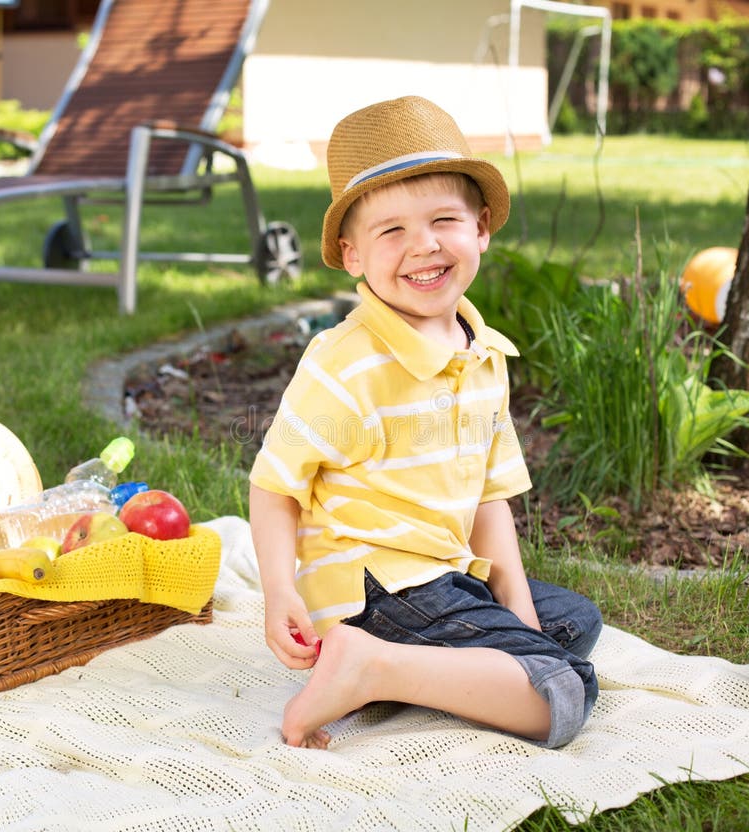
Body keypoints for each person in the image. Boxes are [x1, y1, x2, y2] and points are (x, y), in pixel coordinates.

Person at [249, 96, 602, 750]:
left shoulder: (482, 351)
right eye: (392, 232)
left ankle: (396, 674)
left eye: (445, 219)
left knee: (573, 621)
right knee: (564, 689)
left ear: (482, 227)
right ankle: (369, 663)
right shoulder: (347, 362)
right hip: (373, 589)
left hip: (440, 575)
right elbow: (275, 486)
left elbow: (488, 499)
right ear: (352, 254)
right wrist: (277, 592)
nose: (425, 246)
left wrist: (519, 619)